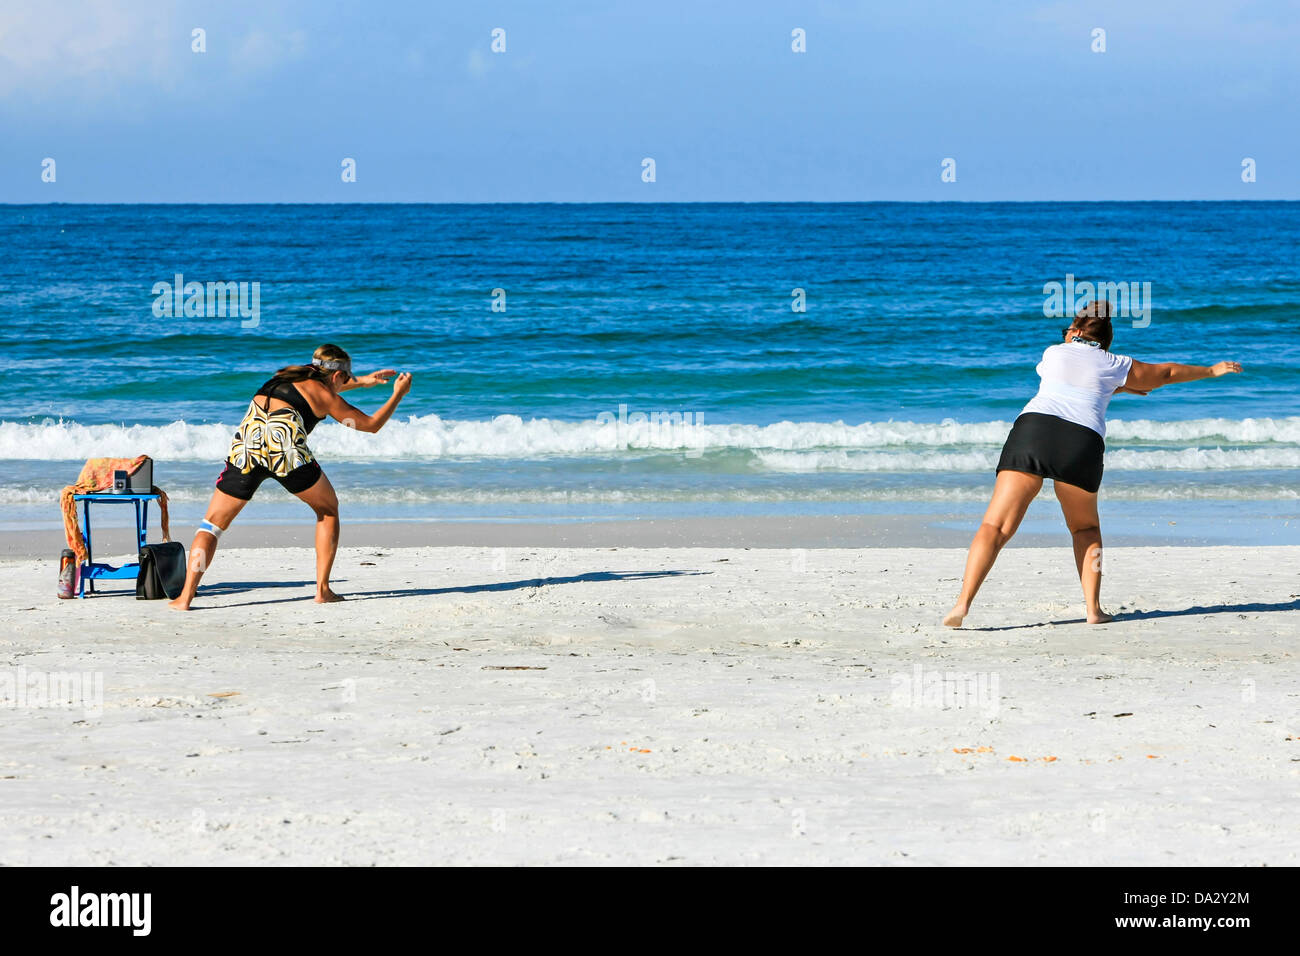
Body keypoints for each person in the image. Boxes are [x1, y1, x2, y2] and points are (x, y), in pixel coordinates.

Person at [943, 300, 1241, 627]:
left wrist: (1116, 381)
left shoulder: (1053, 353)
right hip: (1080, 441)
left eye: (1069, 329)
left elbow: (1076, 377)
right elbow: (1164, 373)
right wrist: (1211, 370)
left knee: (995, 526)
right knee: (1085, 528)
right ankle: (1093, 610)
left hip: (1033, 431)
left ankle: (961, 605)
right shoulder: (1115, 363)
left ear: (1076, 330)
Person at [169, 344, 412, 610]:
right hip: (285, 451)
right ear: (335, 376)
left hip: (246, 449)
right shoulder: (326, 395)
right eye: (346, 377)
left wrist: (363, 382)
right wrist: (398, 395)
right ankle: (322, 590)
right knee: (328, 510)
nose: (346, 382)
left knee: (211, 526)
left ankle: (185, 598)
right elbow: (371, 425)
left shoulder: (285, 375)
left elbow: (321, 390)